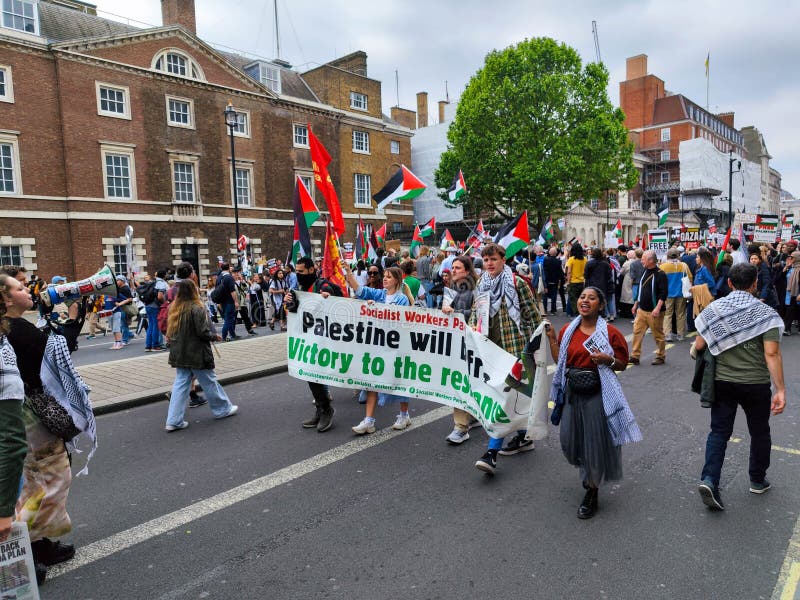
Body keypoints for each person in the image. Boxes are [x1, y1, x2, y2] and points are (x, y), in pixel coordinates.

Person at [694, 263, 786, 510]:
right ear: (755, 283)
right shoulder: (765, 314)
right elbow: (772, 353)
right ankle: (757, 480)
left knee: (719, 432)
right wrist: (780, 390)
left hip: (722, 381)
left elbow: (700, 345)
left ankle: (710, 480)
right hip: (755, 384)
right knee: (759, 432)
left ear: (730, 283)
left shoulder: (715, 310)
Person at [0, 274, 77, 571]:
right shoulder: (17, 330)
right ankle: (27, 545)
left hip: (23, 410)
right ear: (6, 299)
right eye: (20, 287)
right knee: (53, 477)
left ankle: (39, 544)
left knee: (35, 481)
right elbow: (59, 352)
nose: (27, 289)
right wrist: (72, 317)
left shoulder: (15, 328)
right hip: (30, 415)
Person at [546, 286, 640, 518]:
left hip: (597, 394)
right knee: (569, 443)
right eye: (582, 297)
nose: (585, 301)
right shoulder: (568, 329)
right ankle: (588, 474)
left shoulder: (611, 333)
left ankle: (591, 490)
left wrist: (608, 359)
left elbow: (622, 363)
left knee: (594, 446)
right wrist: (551, 339)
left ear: (600, 304)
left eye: (591, 298)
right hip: (572, 393)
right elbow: (561, 362)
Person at [474, 243, 541, 475]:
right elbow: (477, 315)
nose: (489, 263)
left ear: (503, 259)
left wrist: (532, 351)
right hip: (491, 351)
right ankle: (524, 437)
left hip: (516, 349)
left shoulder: (517, 284)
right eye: (486, 260)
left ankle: (491, 453)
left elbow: (533, 316)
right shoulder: (481, 285)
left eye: (493, 259)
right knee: (509, 398)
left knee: (505, 398)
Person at [342, 262, 415, 434]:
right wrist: (348, 272)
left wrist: (377, 310)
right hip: (376, 345)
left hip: (395, 346)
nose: (385, 279)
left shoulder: (402, 299)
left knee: (399, 380)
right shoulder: (378, 294)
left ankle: (404, 415)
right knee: (371, 380)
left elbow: (398, 320)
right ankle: (369, 421)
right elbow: (360, 291)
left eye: (389, 277)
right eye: (385, 276)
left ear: (397, 280)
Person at [164, 279, 238, 431]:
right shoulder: (197, 307)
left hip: (179, 352)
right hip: (197, 352)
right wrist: (213, 336)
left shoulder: (174, 307)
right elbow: (202, 332)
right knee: (209, 380)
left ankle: (173, 420)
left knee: (180, 385)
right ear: (193, 291)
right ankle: (222, 409)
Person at [284, 256, 343, 432]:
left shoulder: (322, 285)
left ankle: (326, 409)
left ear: (311, 270)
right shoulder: (300, 289)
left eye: (301, 271)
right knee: (311, 376)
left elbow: (340, 301)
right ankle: (321, 409)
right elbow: (296, 312)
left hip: (325, 340)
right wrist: (289, 302)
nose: (299, 274)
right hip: (309, 340)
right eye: (297, 272)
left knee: (315, 375)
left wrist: (328, 297)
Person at [440, 256, 481, 444]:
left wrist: (454, 312)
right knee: (464, 382)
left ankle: (461, 428)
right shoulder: (456, 289)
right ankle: (470, 417)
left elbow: (479, 316)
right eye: (452, 267)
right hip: (459, 342)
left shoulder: (474, 289)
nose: (453, 270)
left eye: (457, 267)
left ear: (467, 270)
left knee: (461, 383)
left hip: (471, 343)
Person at [630, 250, 668, 366]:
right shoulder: (645, 271)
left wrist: (657, 308)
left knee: (658, 335)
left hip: (654, 311)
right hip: (642, 310)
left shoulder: (660, 274)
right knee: (637, 332)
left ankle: (660, 356)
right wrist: (636, 304)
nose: (641, 261)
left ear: (651, 260)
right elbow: (641, 289)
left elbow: (663, 293)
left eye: (643, 259)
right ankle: (635, 356)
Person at [660, 247, 693, 342]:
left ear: (667, 256)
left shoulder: (663, 267)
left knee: (667, 314)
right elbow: (690, 278)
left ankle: (668, 335)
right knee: (681, 314)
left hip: (668, 294)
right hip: (681, 293)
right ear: (678, 255)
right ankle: (680, 334)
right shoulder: (684, 266)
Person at [583, 248, 612, 319]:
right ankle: (602, 315)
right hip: (603, 285)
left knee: (591, 300)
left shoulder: (589, 263)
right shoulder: (606, 264)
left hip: (592, 285)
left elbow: (586, 275)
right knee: (601, 300)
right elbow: (609, 276)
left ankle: (592, 314)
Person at [145, 269, 168, 351]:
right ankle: (155, 345)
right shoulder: (161, 283)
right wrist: (164, 302)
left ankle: (148, 346)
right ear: (164, 275)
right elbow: (160, 296)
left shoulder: (152, 282)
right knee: (156, 326)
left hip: (148, 305)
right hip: (155, 306)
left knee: (150, 325)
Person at [216, 263, 239, 342]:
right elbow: (232, 291)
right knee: (228, 319)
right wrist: (236, 301)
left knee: (228, 318)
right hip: (229, 301)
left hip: (222, 301)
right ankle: (223, 336)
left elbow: (217, 290)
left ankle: (233, 335)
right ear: (229, 268)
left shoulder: (219, 277)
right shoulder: (229, 277)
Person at [111, 273, 134, 350]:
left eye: (118, 280)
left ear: (122, 281)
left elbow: (130, 299)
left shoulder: (125, 288)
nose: (116, 281)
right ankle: (129, 334)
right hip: (120, 308)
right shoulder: (119, 288)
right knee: (121, 325)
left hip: (125, 308)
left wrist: (120, 303)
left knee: (124, 324)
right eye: (116, 280)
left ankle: (125, 340)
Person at [780, 251, 799, 335]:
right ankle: (787, 329)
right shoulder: (791, 268)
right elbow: (781, 278)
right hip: (790, 293)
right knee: (789, 311)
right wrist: (785, 268)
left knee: (796, 311)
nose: (791, 259)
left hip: (797, 293)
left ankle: (789, 329)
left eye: (793, 257)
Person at [565, 242, 586, 315]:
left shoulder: (571, 259)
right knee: (581, 299)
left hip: (573, 282)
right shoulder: (585, 259)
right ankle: (582, 312)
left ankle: (577, 314)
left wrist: (568, 281)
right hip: (582, 281)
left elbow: (569, 272)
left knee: (573, 299)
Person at [543, 246, 564, 315]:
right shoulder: (558, 261)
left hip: (547, 279)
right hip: (555, 280)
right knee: (554, 296)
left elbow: (544, 270)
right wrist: (561, 279)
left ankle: (544, 309)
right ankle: (553, 310)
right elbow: (560, 272)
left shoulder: (545, 260)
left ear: (549, 252)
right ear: (556, 253)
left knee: (545, 295)